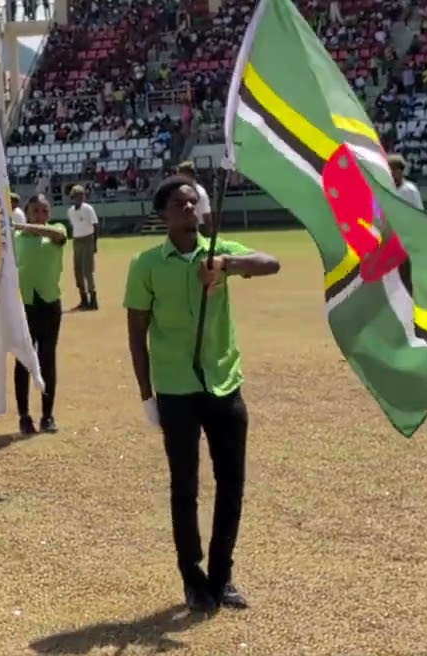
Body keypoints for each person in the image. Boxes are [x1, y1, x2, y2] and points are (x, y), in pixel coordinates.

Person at [123, 175, 281, 613]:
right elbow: (137, 333)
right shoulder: (147, 264)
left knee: (232, 484)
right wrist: (145, 396)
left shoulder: (221, 251)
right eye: (179, 203)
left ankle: (222, 575)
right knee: (185, 486)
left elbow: (271, 263)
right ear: (163, 215)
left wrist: (225, 267)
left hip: (224, 384)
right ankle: (192, 578)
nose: (189, 208)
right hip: (176, 389)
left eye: (193, 201)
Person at [13, 194, 67, 435]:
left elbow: (58, 236)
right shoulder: (16, 238)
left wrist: (20, 224)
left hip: (49, 303)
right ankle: (24, 416)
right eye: (35, 210)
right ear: (27, 211)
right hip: (25, 304)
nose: (40, 215)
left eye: (44, 210)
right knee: (23, 359)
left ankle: (47, 415)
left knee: (47, 358)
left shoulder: (57, 231)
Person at [66, 185, 99, 310]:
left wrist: (95, 243)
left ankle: (93, 300)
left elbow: (95, 225)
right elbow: (73, 225)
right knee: (78, 270)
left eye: (81, 195)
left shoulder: (88, 209)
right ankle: (83, 299)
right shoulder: (70, 211)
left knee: (87, 271)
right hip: (77, 240)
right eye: (76, 195)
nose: (79, 198)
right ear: (72, 197)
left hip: (87, 239)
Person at [175, 161, 214, 235]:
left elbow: (206, 217)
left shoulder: (199, 192)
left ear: (188, 175)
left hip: (198, 229)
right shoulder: (180, 191)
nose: (178, 179)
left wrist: (208, 239)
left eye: (180, 176)